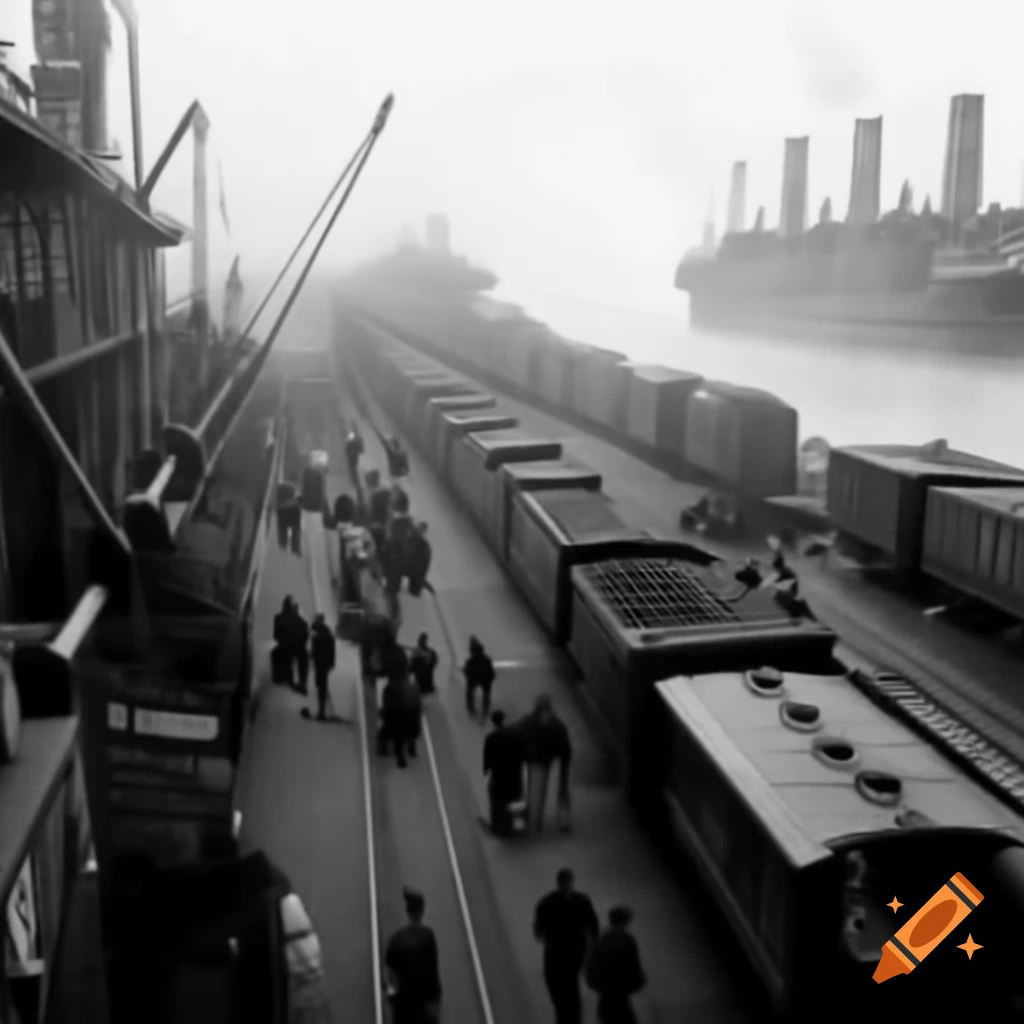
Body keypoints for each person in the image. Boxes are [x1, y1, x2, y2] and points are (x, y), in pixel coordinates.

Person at [533, 868, 599, 1024]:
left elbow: (537, 929)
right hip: (574, 951)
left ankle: (564, 1017)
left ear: (558, 882)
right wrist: (592, 950)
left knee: (557, 989)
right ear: (571, 882)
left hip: (555, 952)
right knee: (571, 987)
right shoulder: (582, 901)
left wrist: (544, 939)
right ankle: (573, 1018)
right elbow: (593, 926)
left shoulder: (546, 902)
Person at [516, 695, 573, 834]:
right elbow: (565, 745)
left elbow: (517, 733)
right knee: (541, 787)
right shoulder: (556, 725)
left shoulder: (529, 722)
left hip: (537, 758)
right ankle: (538, 819)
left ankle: (534, 819)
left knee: (535, 786)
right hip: (541, 758)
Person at [384, 888, 441, 1024]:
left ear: (407, 912)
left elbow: (390, 978)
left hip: (402, 1008)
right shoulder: (428, 936)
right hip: (423, 1009)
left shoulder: (395, 939)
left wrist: (392, 999)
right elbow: (432, 974)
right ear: (422, 911)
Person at [585, 906, 647, 1024]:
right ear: (625, 921)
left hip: (604, 995)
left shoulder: (600, 939)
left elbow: (591, 965)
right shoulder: (627, 940)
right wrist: (638, 982)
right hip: (621, 995)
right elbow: (633, 967)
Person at [483, 710, 526, 836]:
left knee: (496, 800)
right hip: (514, 774)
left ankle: (497, 827)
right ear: (503, 719)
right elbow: (523, 754)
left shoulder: (491, 738)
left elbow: (487, 758)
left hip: (499, 776)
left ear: (493, 722)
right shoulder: (515, 736)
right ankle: (518, 825)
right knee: (516, 798)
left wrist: (486, 770)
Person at [309, 613, 336, 721]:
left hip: (321, 663)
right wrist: (332, 662)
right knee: (321, 685)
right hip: (323, 663)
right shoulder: (326, 632)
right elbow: (332, 648)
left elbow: (315, 649)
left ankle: (322, 711)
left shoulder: (319, 633)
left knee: (321, 686)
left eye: (316, 619)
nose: (315, 621)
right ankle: (322, 710)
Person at [462, 636, 496, 719]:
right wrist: (491, 678)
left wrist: (467, 675)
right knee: (486, 694)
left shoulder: (471, 660)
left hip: (474, 679)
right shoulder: (486, 659)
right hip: (485, 679)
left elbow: (467, 671)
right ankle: (485, 709)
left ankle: (471, 709)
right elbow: (491, 670)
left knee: (469, 693)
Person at [271, 596, 299, 686]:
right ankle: (289, 677)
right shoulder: (295, 617)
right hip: (292, 645)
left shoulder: (278, 617)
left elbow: (275, 635)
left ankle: (277, 677)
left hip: (282, 644)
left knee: (274, 654)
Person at [406, 522, 432, 597]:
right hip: (416, 569)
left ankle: (416, 587)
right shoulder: (423, 544)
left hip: (415, 568)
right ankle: (416, 587)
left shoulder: (423, 544)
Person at [292, 605, 310, 695]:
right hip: (303, 648)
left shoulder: (293, 623)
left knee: (300, 667)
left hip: (297, 647)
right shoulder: (304, 622)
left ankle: (302, 686)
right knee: (303, 667)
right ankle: (303, 685)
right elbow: (306, 635)